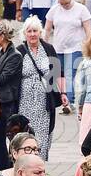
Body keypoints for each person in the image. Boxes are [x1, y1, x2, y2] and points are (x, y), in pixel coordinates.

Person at [17, 16, 62, 161]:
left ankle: (39, 163)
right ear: (24, 33)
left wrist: (63, 93)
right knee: (26, 133)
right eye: (29, 31)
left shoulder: (48, 48)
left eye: (35, 31)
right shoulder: (19, 51)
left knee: (42, 132)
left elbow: (58, 73)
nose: (32, 34)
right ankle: (25, 161)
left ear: (40, 32)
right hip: (25, 100)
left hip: (44, 99)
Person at [44, 0, 91, 111]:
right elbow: (47, 29)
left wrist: (89, 45)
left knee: (70, 74)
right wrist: (44, 44)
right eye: (61, 3)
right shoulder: (54, 10)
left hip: (76, 46)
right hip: (58, 47)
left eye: (67, 3)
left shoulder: (81, 9)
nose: (64, 6)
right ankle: (64, 99)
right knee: (59, 75)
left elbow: (88, 29)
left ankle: (70, 103)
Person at [0, 21, 22, 170]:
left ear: (2, 36)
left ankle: (4, 171)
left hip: (7, 104)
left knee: (0, 141)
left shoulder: (15, 56)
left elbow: (2, 78)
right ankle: (0, 171)